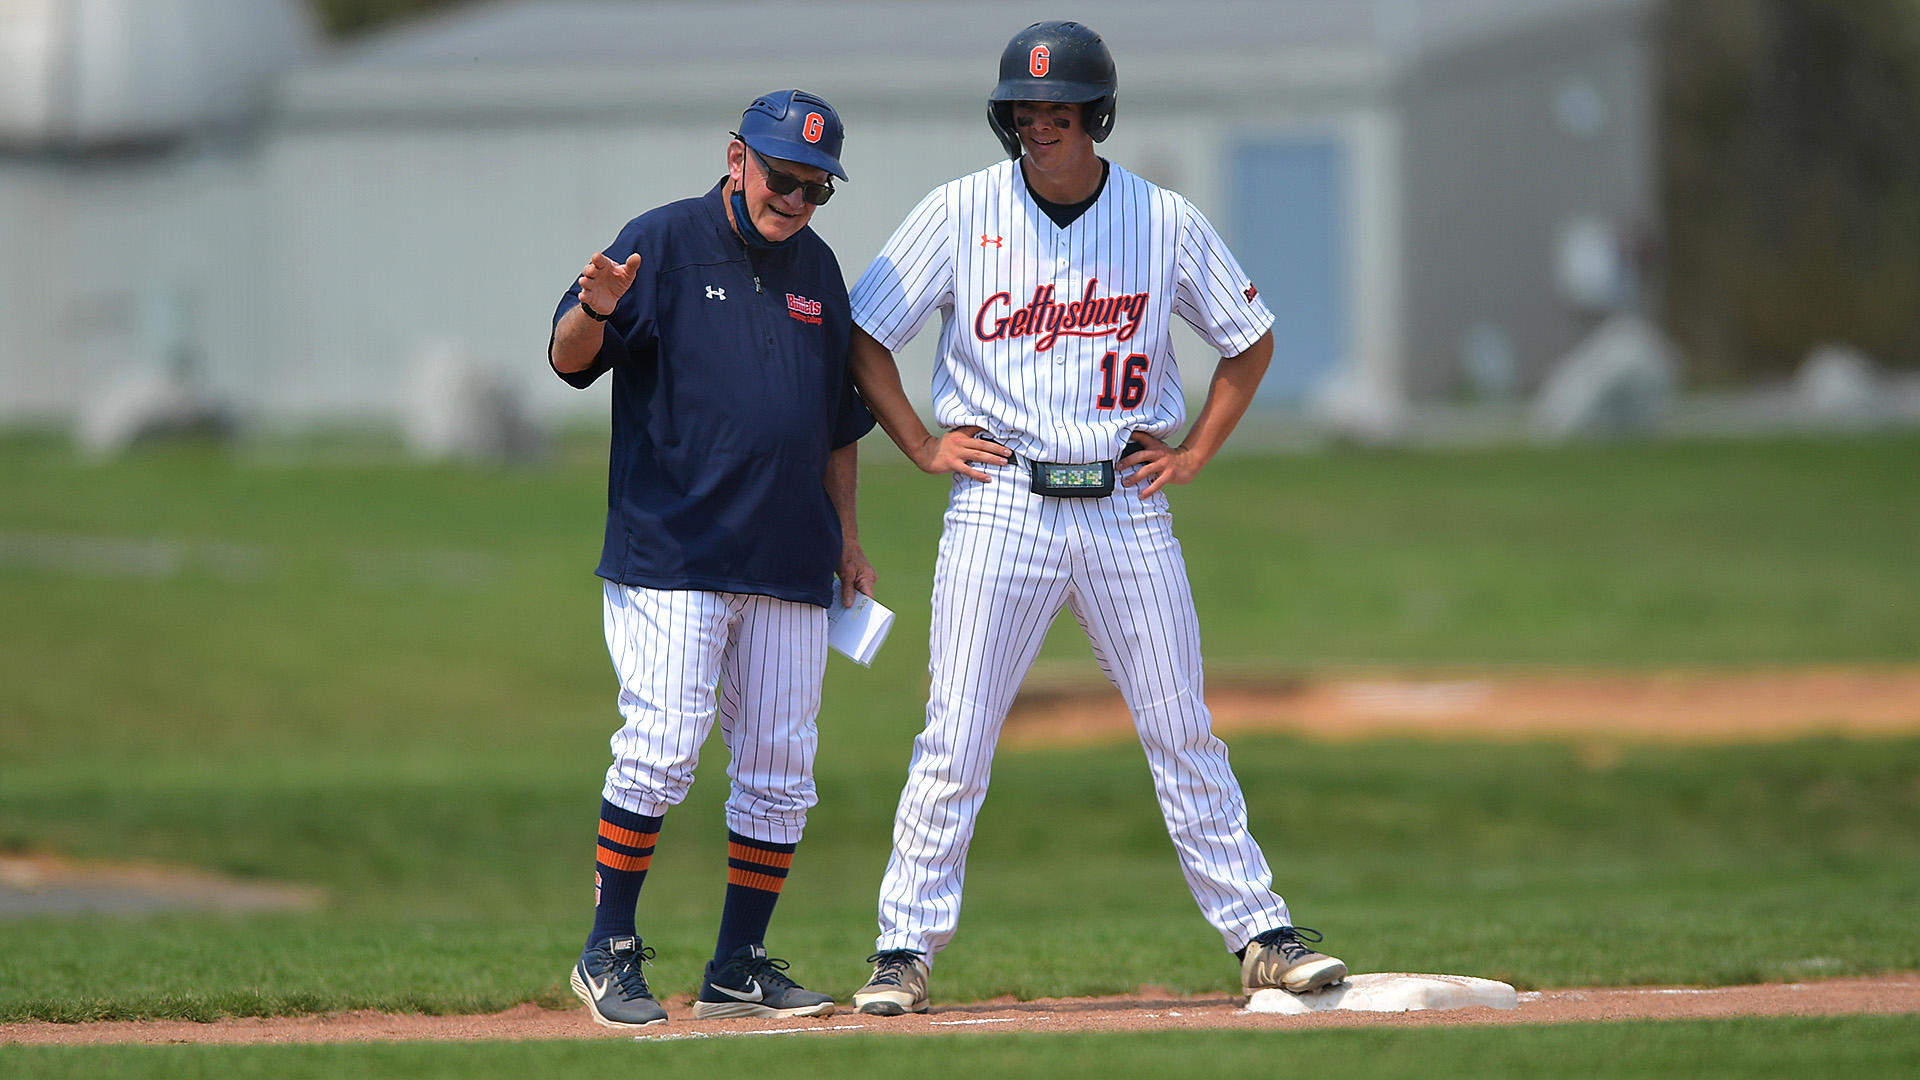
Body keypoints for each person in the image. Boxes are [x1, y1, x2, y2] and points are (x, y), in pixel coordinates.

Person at [842, 22, 1347, 1016]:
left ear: (1096, 117)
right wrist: (918, 442)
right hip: (998, 503)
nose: (1039, 130)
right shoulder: (957, 212)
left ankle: (1260, 933)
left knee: (1182, 728)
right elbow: (864, 332)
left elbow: (1250, 340)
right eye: (1024, 115)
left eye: (1058, 115)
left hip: (1124, 504)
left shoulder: (1162, 221)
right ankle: (902, 948)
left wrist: (1196, 448)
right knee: (957, 738)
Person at [548, 88, 875, 1029]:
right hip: (675, 551)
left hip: (789, 559)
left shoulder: (819, 268)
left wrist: (848, 539)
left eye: (818, 187)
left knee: (779, 768)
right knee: (659, 749)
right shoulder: (666, 239)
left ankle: (738, 965)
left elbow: (837, 426)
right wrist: (596, 311)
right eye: (784, 177)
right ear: (737, 158)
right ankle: (607, 948)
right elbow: (569, 361)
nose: (798, 200)